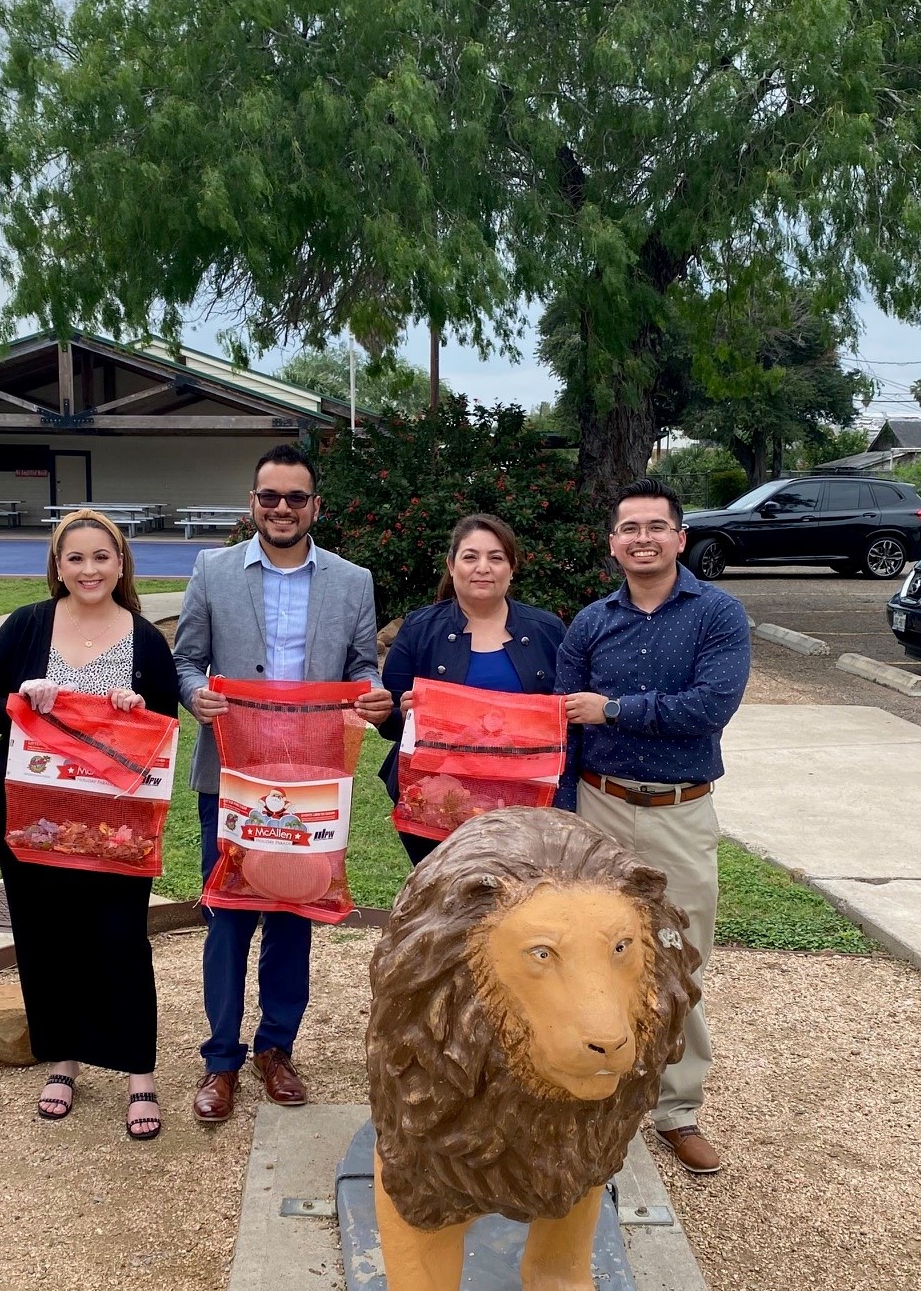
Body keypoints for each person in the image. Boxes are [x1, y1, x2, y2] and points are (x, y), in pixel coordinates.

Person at [174, 444, 392, 1123]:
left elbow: (364, 668)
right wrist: (195, 696)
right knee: (229, 916)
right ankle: (220, 1060)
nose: (282, 508)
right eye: (269, 497)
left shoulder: (352, 581)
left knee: (296, 913)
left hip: (313, 777)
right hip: (232, 775)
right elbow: (186, 660)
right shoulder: (213, 570)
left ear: (315, 507)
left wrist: (376, 696)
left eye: (296, 497)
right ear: (253, 504)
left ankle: (277, 1048)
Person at [553, 476, 751, 1176]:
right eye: (628, 528)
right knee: (588, 953)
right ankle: (591, 1084)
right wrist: (558, 810)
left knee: (678, 955)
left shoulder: (718, 615)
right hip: (597, 806)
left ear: (680, 537)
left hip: (678, 810)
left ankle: (676, 1108)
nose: (642, 539)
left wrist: (611, 709)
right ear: (613, 543)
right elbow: (560, 721)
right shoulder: (589, 622)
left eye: (654, 527)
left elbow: (708, 706)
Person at [0, 508, 179, 1139]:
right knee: (46, 940)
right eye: (76, 558)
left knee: (117, 940)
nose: (89, 569)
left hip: (113, 828)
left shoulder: (144, 638)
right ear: (57, 567)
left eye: (101, 557)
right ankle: (62, 1058)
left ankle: (138, 1071)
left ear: (121, 564)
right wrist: (21, 701)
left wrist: (135, 711)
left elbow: (166, 726)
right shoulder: (29, 625)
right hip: (30, 821)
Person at [377, 513, 568, 865]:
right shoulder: (420, 628)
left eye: (496, 558)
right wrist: (400, 714)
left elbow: (565, 720)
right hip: (434, 803)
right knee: (447, 902)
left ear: (512, 568)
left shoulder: (548, 630)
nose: (483, 567)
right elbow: (388, 720)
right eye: (470, 557)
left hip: (520, 805)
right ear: (452, 566)